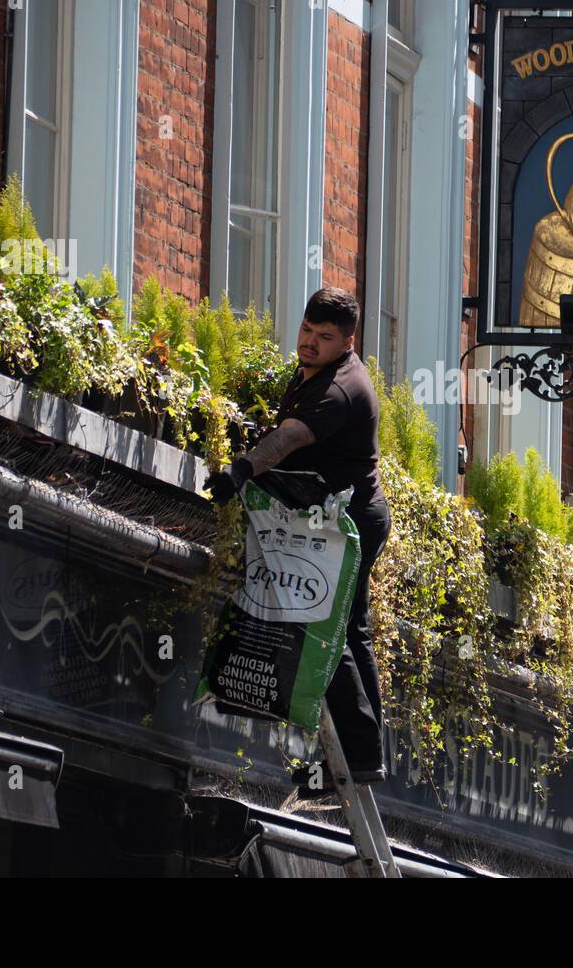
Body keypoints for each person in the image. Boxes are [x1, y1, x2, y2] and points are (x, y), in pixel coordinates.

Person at [205, 287, 389, 793]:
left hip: (347, 521)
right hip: (338, 516)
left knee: (329, 625)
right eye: (306, 330)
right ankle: (361, 755)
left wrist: (240, 470)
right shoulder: (316, 370)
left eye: (323, 337)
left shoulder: (341, 387)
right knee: (350, 630)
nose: (309, 342)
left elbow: (290, 438)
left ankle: (355, 757)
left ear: (348, 341)